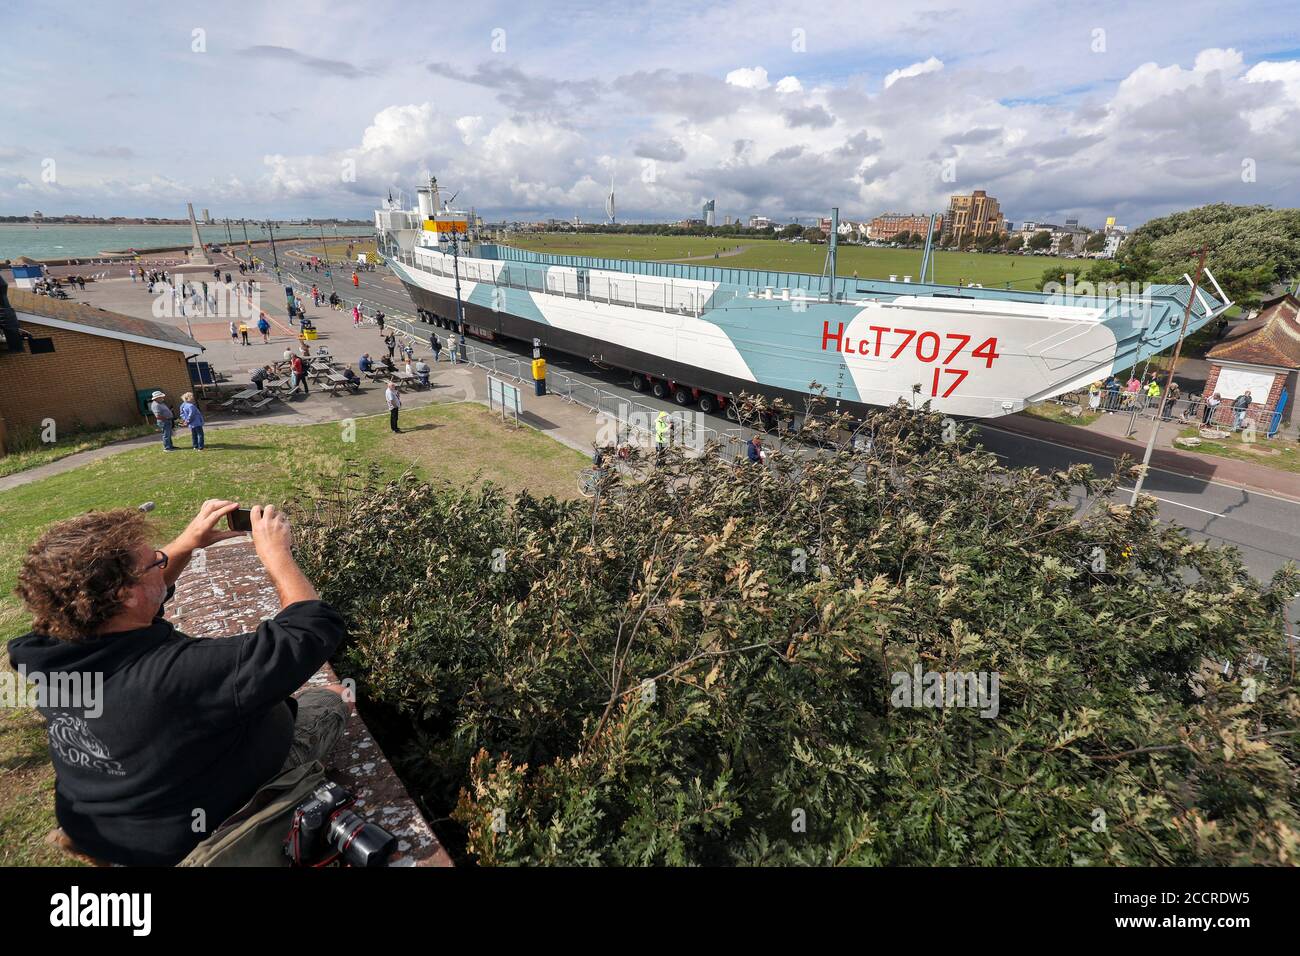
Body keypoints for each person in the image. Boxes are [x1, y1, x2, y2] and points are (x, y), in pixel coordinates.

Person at [8, 501, 351, 866]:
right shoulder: (176, 676)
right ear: (124, 594)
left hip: (111, 829)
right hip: (187, 835)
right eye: (156, 561)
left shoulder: (54, 647)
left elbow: (137, 598)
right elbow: (309, 630)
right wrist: (276, 555)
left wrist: (188, 543)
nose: (163, 561)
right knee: (333, 696)